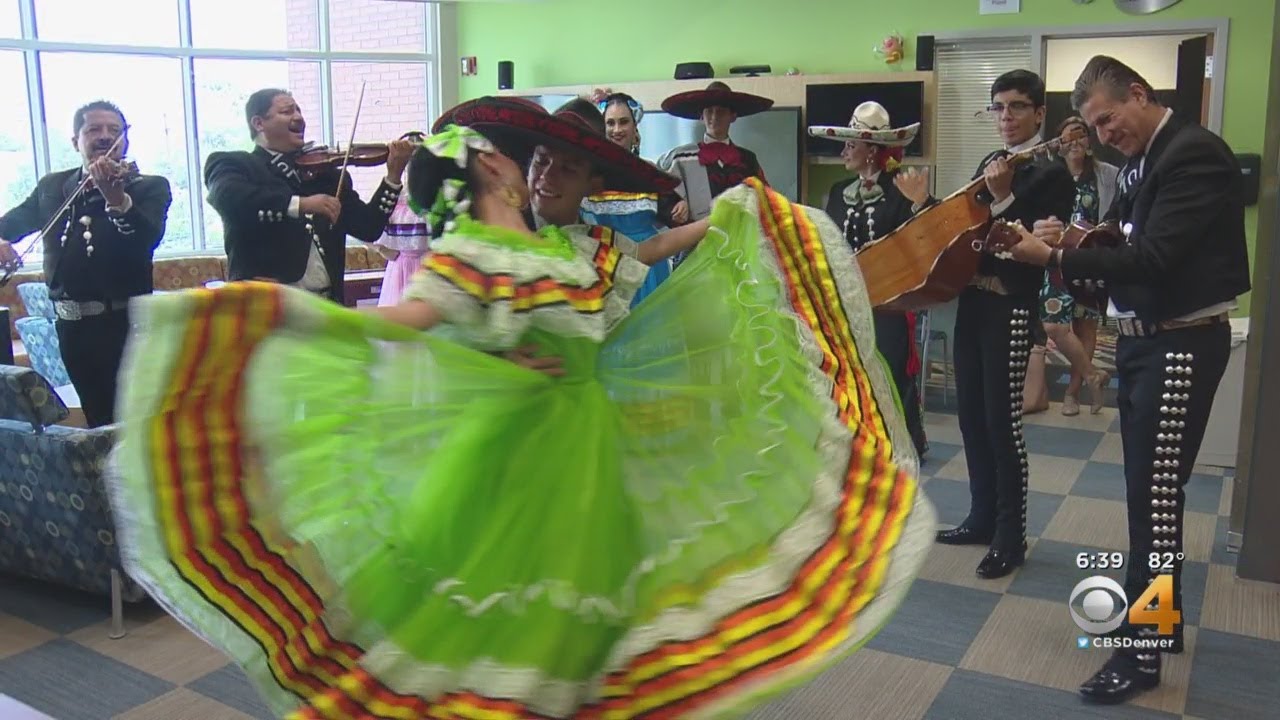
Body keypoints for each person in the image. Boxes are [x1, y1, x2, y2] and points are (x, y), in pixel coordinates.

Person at [108, 98, 935, 719]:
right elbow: (410, 322)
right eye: (530, 162)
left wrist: (728, 216)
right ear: (499, 173)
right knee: (500, 616)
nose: (538, 171)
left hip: (586, 452)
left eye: (559, 166)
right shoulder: (472, 254)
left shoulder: (568, 252)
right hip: (516, 455)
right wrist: (286, 314)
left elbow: (636, 259)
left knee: (590, 620)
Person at [1009, 55, 1249, 706]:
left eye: (1109, 118)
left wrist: (1054, 255)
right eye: (1093, 124)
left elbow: (1156, 257)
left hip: (1179, 347)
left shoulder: (1191, 153)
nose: (1104, 133)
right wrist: (1084, 237)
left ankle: (1142, 652)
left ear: (1139, 95)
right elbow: (1130, 239)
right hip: (1150, 344)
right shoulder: (1148, 156)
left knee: (1157, 505)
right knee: (1147, 496)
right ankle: (1157, 623)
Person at [933, 69, 1075, 580]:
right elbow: (970, 232)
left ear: (1040, 113)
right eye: (997, 107)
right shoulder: (991, 164)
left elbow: (1036, 246)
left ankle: (1010, 537)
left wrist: (1005, 197)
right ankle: (981, 516)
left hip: (1012, 308)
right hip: (972, 303)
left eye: (1016, 107)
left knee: (1002, 424)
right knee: (969, 416)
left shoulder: (1052, 170)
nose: (1005, 117)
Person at [0, 100, 171, 427]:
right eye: (94, 129)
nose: (105, 137)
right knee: (97, 418)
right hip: (73, 329)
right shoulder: (53, 186)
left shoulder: (149, 187)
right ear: (75, 140)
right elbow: (12, 223)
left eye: (114, 131)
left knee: (131, 421)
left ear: (126, 140)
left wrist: (117, 199)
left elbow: (145, 238)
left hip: (126, 325)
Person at [204, 88, 414, 304]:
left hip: (327, 307)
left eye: (299, 111)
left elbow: (368, 227)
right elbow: (225, 196)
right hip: (268, 307)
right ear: (259, 123)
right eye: (286, 112)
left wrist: (393, 176)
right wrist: (301, 204)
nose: (298, 118)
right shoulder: (234, 164)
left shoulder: (327, 175)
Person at [810, 100, 930, 458]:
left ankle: (903, 442)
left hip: (889, 300)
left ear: (872, 151)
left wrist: (920, 203)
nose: (845, 151)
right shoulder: (837, 191)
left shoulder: (902, 187)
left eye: (852, 144)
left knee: (892, 369)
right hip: (846, 298)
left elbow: (927, 235)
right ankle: (860, 439)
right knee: (849, 368)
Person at [1031, 116, 1117, 416]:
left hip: (1090, 258)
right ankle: (1095, 374)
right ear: (1059, 144)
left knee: (1085, 325)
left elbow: (1115, 216)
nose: (1076, 143)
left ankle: (1074, 392)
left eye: (1081, 136)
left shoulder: (1107, 175)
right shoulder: (1052, 175)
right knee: (1054, 324)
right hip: (1055, 256)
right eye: (1069, 137)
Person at [581, 91, 689, 305]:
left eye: (623, 122)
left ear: (634, 128)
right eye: (610, 123)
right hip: (602, 266)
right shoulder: (588, 173)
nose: (617, 130)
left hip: (648, 271)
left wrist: (683, 207)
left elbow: (675, 216)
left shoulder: (650, 173)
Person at [656, 81, 771, 231]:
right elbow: (662, 198)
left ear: (733, 116)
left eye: (721, 111)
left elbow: (764, 198)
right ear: (701, 116)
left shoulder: (747, 159)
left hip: (740, 239)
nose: (714, 117)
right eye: (709, 111)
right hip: (697, 242)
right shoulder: (680, 159)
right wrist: (677, 206)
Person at [374, 132, 433, 306]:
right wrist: (391, 254)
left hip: (432, 268)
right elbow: (373, 232)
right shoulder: (397, 196)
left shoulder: (437, 196)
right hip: (401, 269)